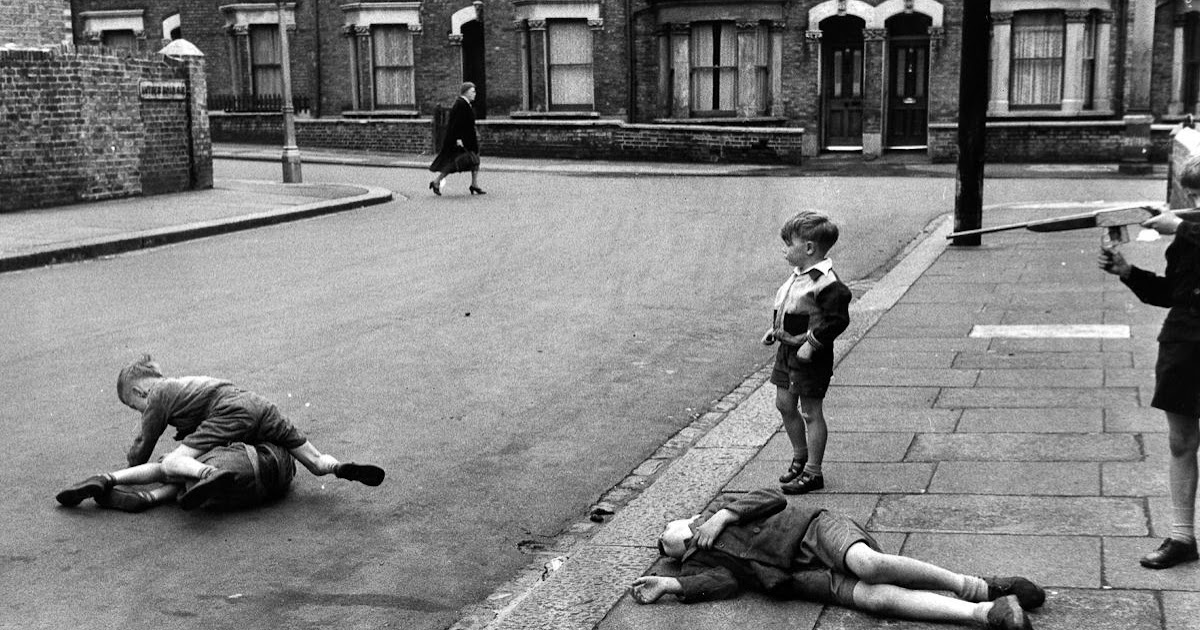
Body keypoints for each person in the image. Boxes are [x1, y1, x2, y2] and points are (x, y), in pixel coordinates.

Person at [629, 488, 1045, 630]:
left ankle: (977, 585)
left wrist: (722, 516)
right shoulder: (698, 564)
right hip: (802, 579)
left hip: (814, 532)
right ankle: (988, 612)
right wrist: (673, 584)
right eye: (666, 553)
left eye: (664, 537)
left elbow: (773, 497)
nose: (666, 546)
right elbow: (725, 583)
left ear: (680, 522)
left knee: (868, 564)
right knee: (875, 599)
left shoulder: (718, 510)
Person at [55, 355, 385, 511]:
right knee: (313, 461)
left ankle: (208, 473)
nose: (139, 411)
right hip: (259, 406)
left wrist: (130, 462)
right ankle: (338, 468)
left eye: (133, 406)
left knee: (172, 463)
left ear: (139, 392)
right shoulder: (185, 387)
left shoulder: (157, 396)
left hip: (228, 411)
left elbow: (144, 444)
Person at [1099, 154, 1200, 569]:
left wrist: (1181, 225)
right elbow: (1173, 293)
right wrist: (1128, 272)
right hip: (1186, 343)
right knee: (1181, 441)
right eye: (1191, 193)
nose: (1195, 199)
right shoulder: (1190, 235)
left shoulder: (1189, 230)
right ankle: (1182, 536)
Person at [762, 210, 852, 494]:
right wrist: (775, 330)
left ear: (809, 248)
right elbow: (792, 308)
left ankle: (814, 471)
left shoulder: (826, 282)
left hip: (810, 355)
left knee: (811, 411)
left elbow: (837, 320)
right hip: (788, 351)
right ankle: (800, 456)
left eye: (789, 244)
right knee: (784, 404)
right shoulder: (799, 275)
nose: (785, 250)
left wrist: (812, 344)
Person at [64, 442, 296, 513]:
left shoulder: (257, 431)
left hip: (244, 461)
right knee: (191, 481)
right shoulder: (288, 472)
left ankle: (108, 478)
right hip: (254, 491)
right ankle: (149, 497)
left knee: (171, 466)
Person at [429, 81, 485, 196]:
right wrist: (458, 139)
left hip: (468, 139)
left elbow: (468, 123)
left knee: (475, 161)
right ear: (466, 92)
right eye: (472, 91)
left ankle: (474, 184)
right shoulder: (460, 104)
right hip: (460, 140)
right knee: (454, 164)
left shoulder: (466, 104)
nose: (475, 94)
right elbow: (455, 124)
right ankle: (436, 181)